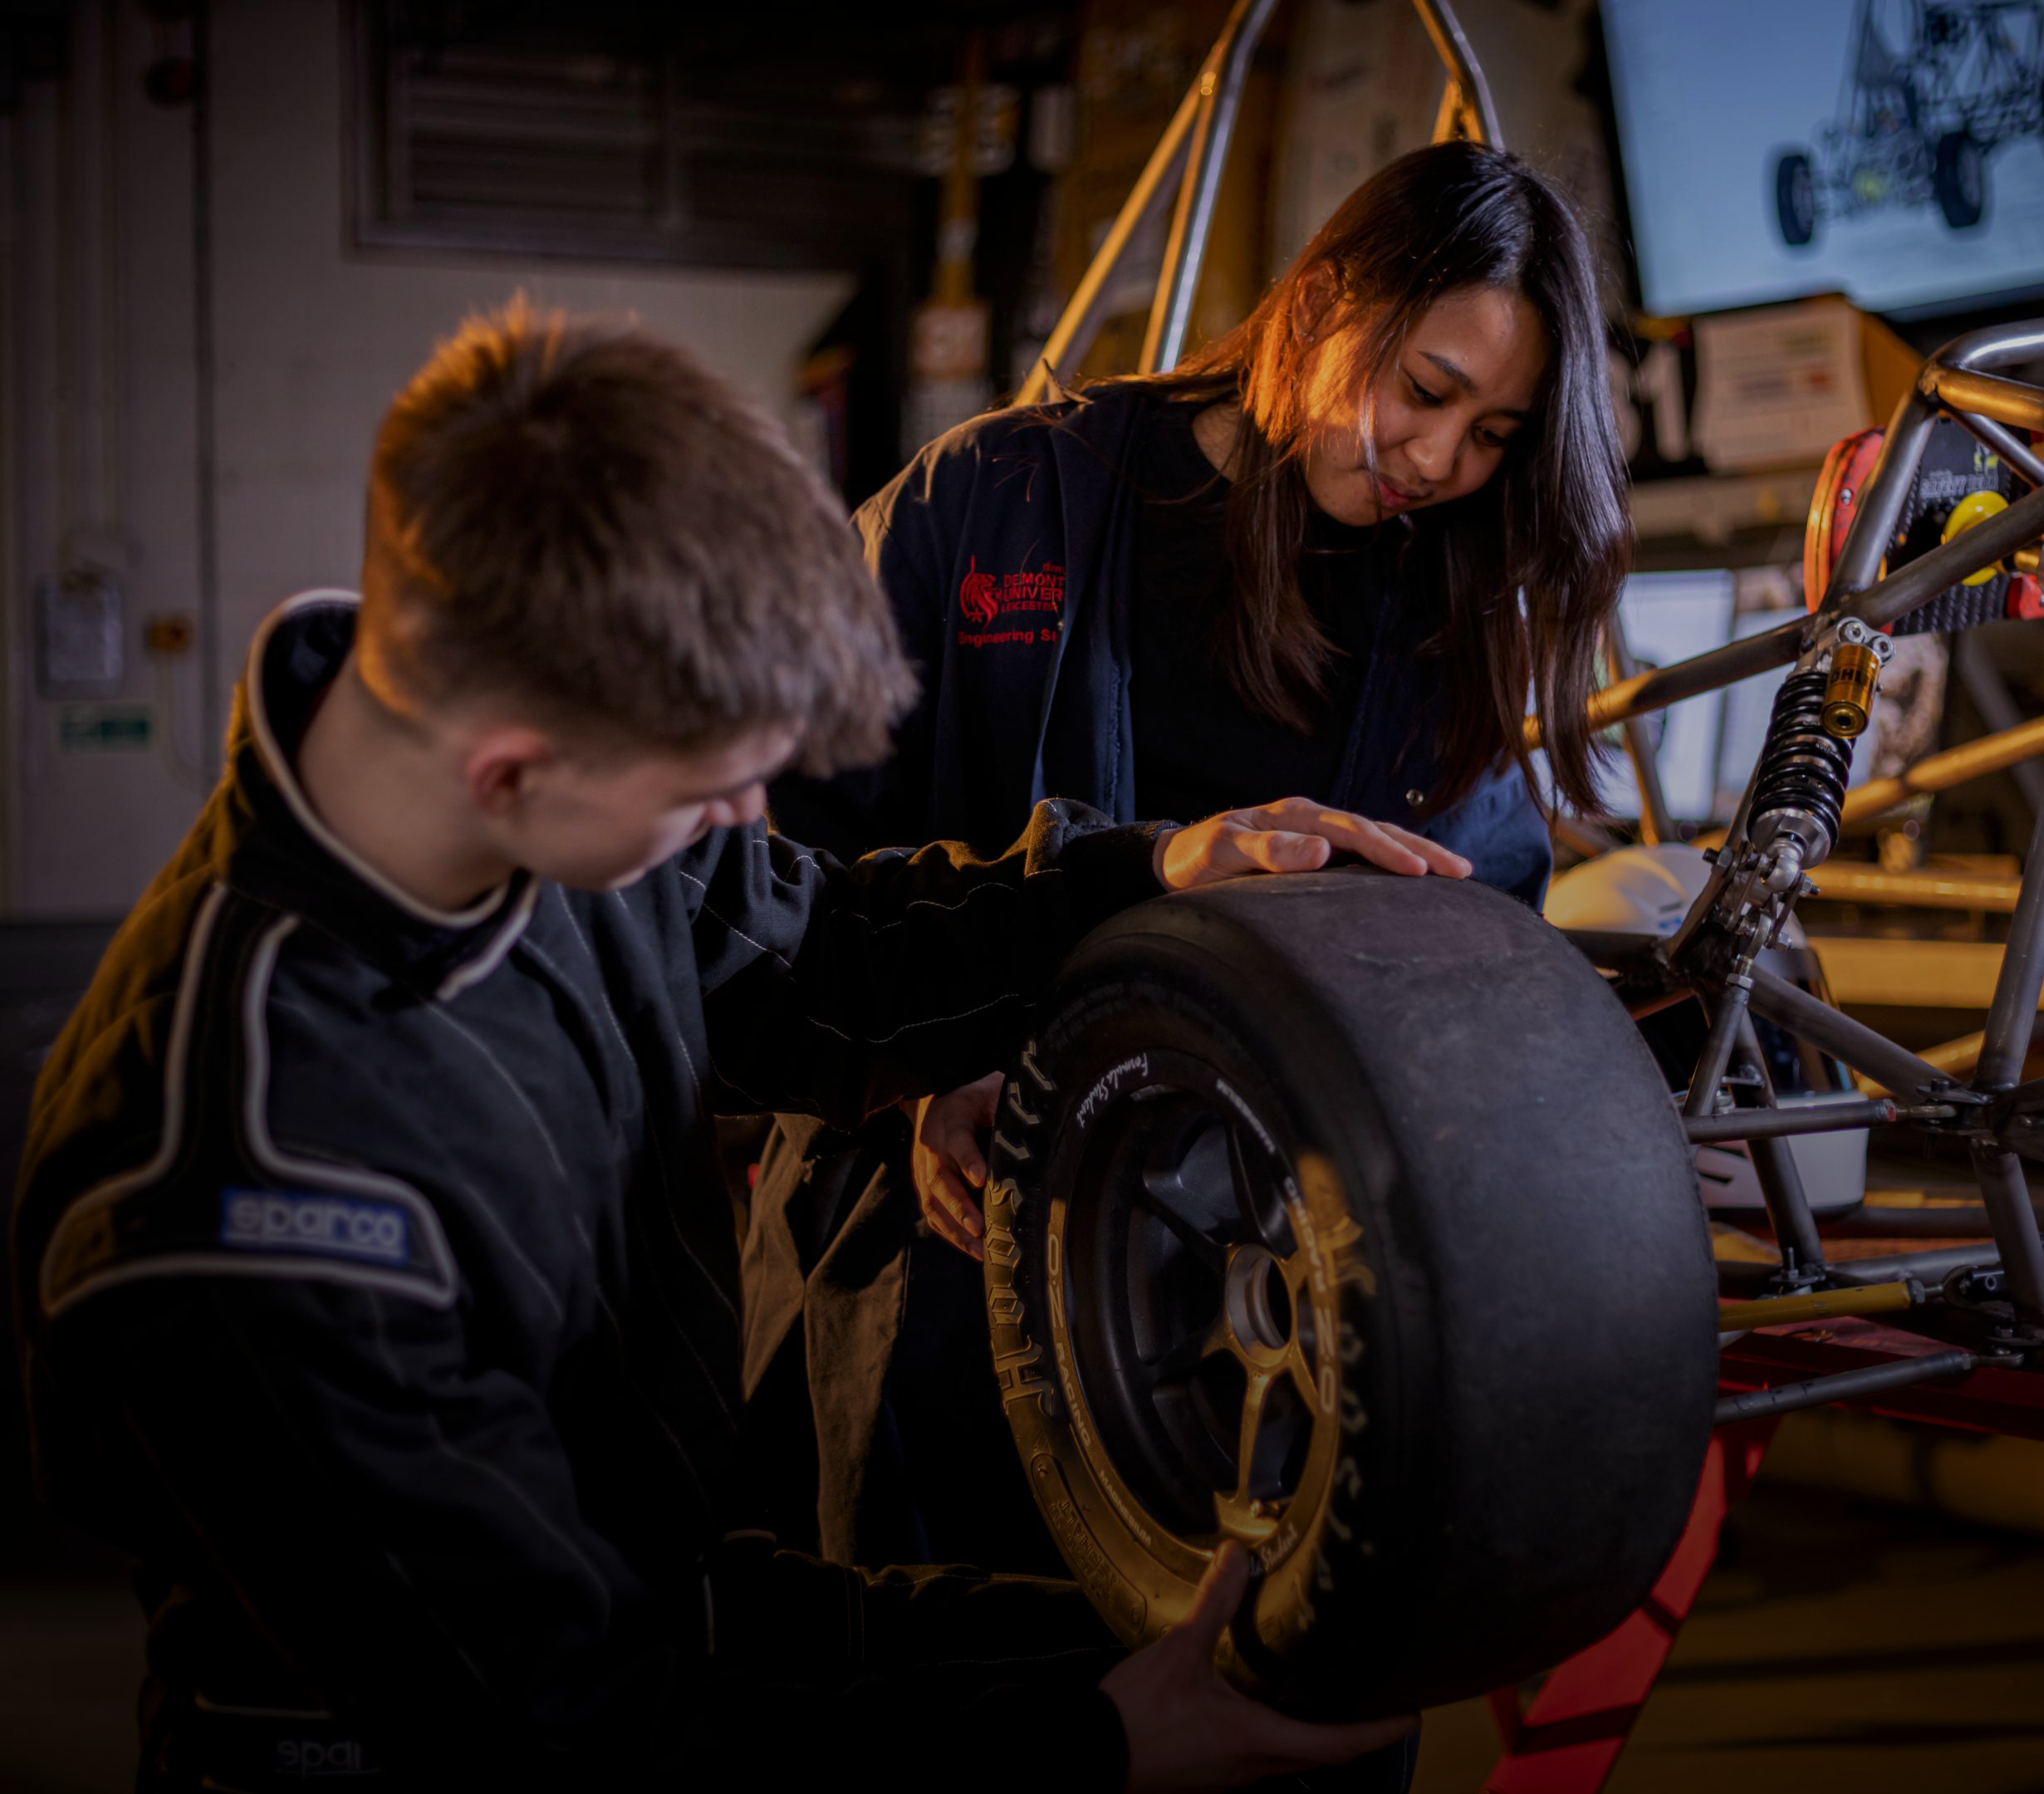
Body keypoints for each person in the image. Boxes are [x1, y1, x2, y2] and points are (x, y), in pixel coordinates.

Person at [10, 304, 1454, 1791]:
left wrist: (1143, 876)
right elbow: (579, 1740)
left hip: (666, 1601)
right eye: (708, 794)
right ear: (511, 768)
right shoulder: (249, 1207)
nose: (740, 828)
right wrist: (1084, 1745)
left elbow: (810, 960)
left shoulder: (528, 791)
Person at [747, 140, 1632, 1571]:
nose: (1440, 461)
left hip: (1261, 1277)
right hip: (952, 1249)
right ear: (1325, 294)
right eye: (1426, 392)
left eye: (1495, 436)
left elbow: (1476, 946)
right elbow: (780, 862)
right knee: (944, 1668)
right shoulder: (995, 503)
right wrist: (931, 1072)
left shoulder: (1453, 601)